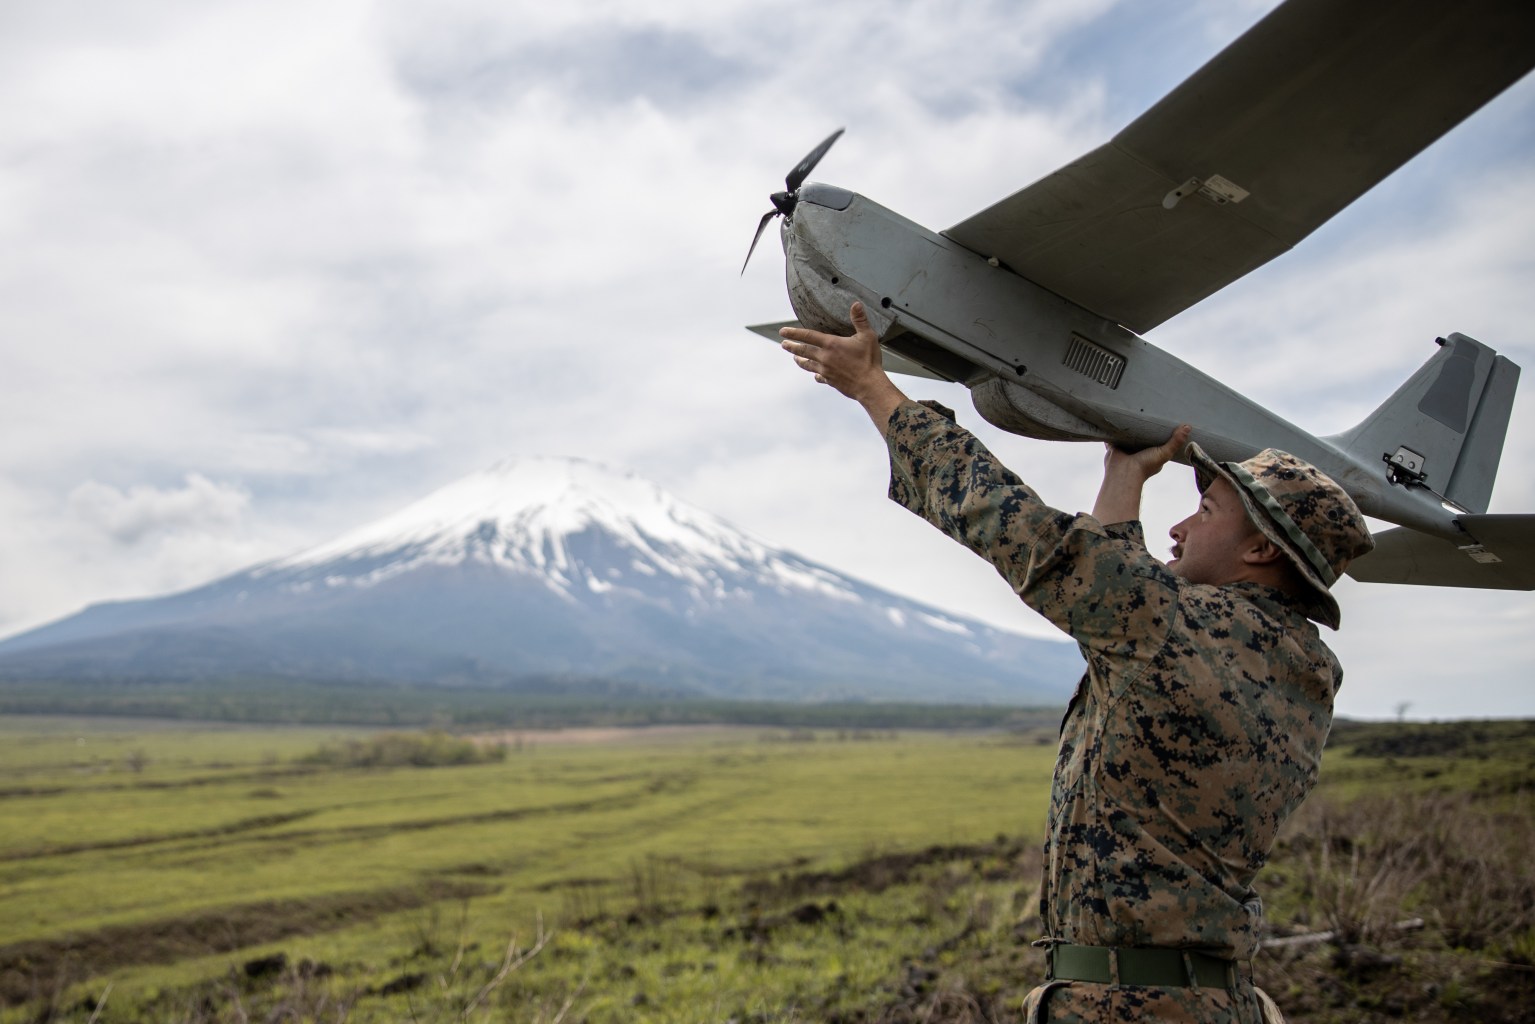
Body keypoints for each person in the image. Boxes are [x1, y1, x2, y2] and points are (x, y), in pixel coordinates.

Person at [779, 303, 1374, 1024]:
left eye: (1208, 511)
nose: (1180, 527)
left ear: (1261, 549)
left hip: (1126, 1006)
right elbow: (1123, 616)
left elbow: (1018, 528)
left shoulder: (1171, 627)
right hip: (1213, 999)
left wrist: (875, 389)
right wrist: (1123, 475)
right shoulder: (1295, 665)